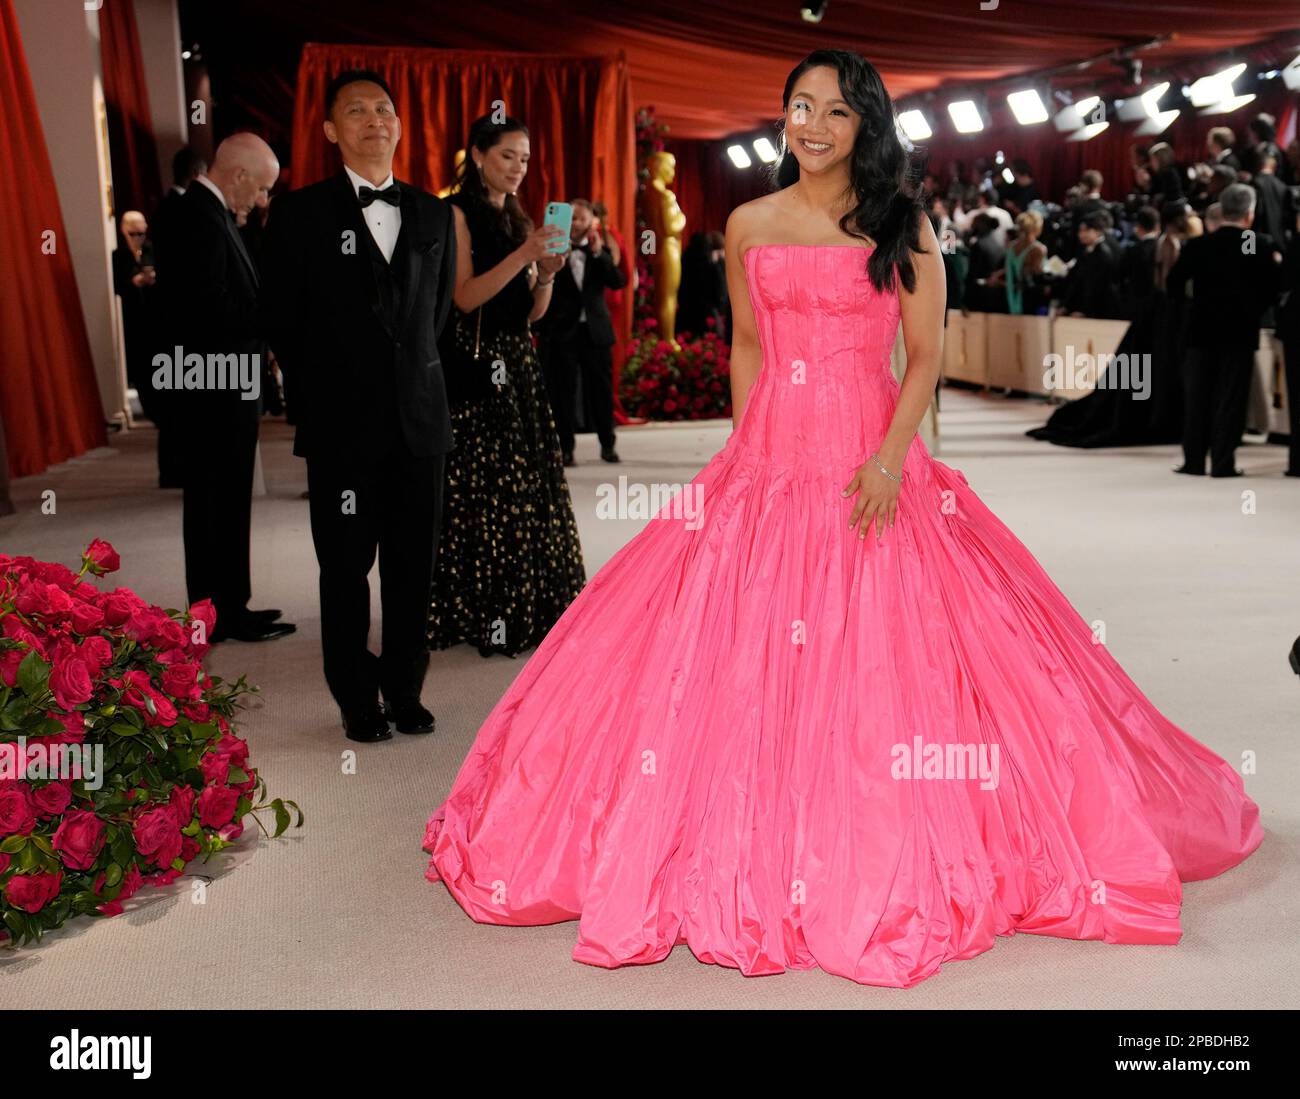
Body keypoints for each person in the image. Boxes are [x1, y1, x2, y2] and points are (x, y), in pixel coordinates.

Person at [422, 49, 1262, 989]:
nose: (810, 124)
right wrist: (745, 450)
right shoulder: (747, 221)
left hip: (873, 457)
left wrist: (892, 459)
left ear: (864, 123)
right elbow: (746, 342)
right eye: (797, 107)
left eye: (832, 110)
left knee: (899, 662)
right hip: (767, 461)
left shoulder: (903, 226)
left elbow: (924, 356)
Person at [261, 69, 455, 743]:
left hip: (419, 421)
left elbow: (435, 318)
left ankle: (404, 687)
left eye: (384, 109)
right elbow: (282, 320)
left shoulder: (434, 213)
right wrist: (325, 391)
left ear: (399, 125)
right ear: (330, 130)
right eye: (357, 110)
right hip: (342, 427)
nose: (374, 119)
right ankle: (354, 694)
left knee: (412, 568)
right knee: (345, 569)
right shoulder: (299, 213)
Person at [428, 113, 586, 659]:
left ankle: (528, 603)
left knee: (524, 489)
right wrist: (523, 255)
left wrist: (545, 274)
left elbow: (531, 315)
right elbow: (465, 298)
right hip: (477, 368)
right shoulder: (455, 213)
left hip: (518, 364)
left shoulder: (518, 216)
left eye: (524, 158)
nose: (518, 168)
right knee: (483, 493)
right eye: (506, 156)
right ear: (477, 155)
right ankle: (480, 610)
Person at [154, 133, 294, 646]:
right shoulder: (196, 216)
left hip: (223, 380)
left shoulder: (207, 214)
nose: (261, 201)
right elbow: (207, 309)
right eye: (259, 189)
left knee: (228, 499)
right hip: (212, 384)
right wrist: (274, 316)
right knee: (215, 500)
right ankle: (216, 612)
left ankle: (230, 605)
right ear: (237, 176)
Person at [1167, 183, 1282, 477]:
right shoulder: (1256, 243)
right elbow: (1273, 289)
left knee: (1197, 397)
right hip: (1239, 331)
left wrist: (1190, 309)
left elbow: (1174, 284)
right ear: (1249, 214)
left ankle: (1193, 461)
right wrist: (1252, 309)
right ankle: (1222, 462)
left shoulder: (1200, 244)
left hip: (1201, 329)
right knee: (1231, 398)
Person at [540, 197, 626, 464]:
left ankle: (607, 445)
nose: (576, 224)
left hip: (595, 331)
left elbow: (616, 281)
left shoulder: (601, 250)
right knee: (562, 392)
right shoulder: (550, 249)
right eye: (572, 218)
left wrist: (599, 254)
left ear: (592, 222)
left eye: (582, 218)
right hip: (561, 331)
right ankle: (565, 448)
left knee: (601, 390)